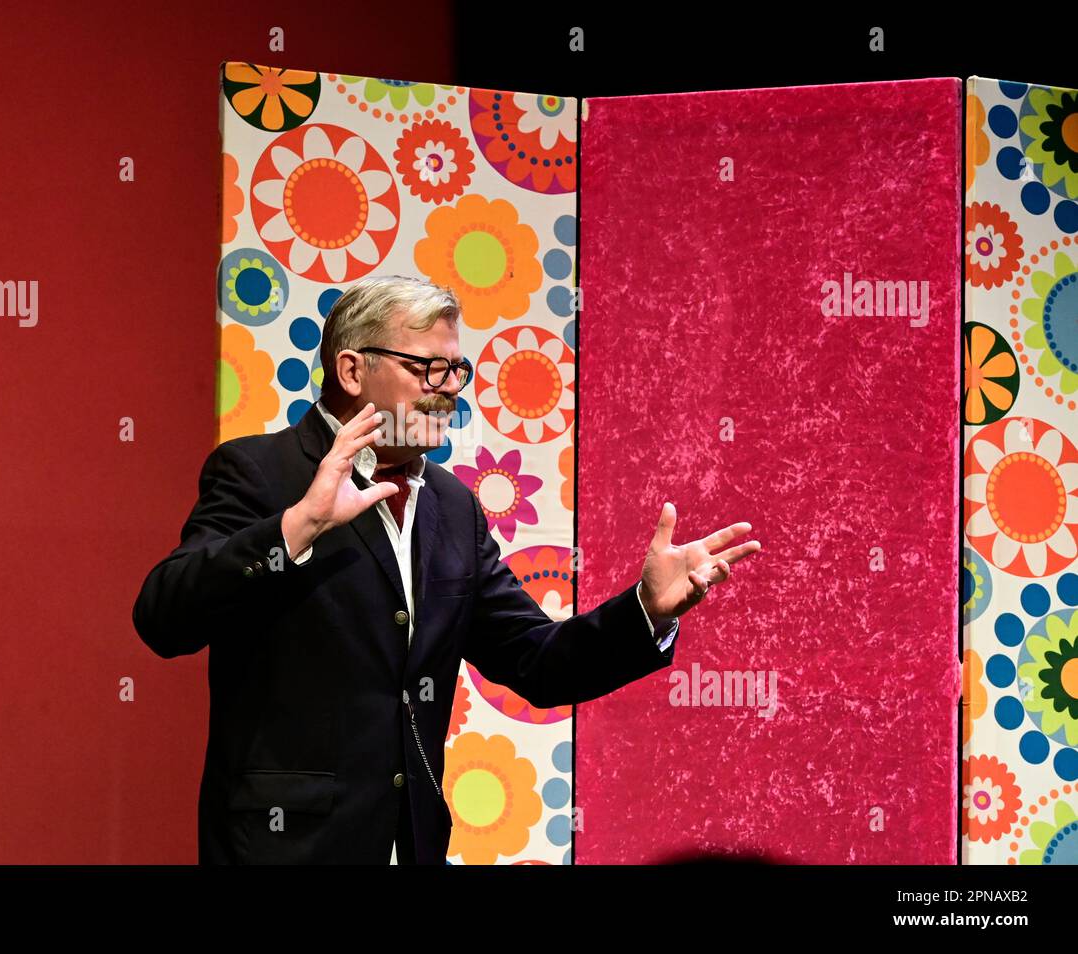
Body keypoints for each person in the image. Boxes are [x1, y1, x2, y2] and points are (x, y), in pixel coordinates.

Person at [131, 275, 761, 864]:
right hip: (279, 848)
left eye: (456, 367)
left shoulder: (451, 506)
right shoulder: (260, 472)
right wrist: (296, 529)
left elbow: (535, 661)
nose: (450, 385)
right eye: (426, 366)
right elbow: (164, 618)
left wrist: (645, 611)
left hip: (412, 845)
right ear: (352, 369)